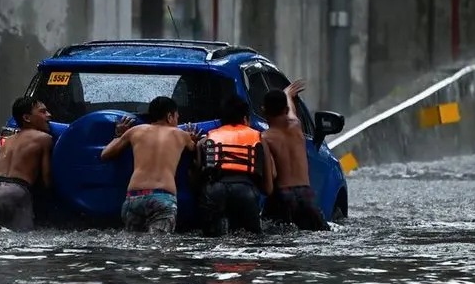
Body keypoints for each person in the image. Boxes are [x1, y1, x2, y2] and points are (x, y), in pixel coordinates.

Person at [100, 95, 202, 233]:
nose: (177, 121)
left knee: (132, 246)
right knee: (158, 248)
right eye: (177, 117)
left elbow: (105, 154)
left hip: (134, 197)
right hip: (163, 198)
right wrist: (192, 138)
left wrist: (118, 135)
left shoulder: (135, 131)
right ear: (170, 116)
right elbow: (196, 149)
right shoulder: (180, 135)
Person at [194, 94, 275, 236]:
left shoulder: (207, 139)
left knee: (211, 244)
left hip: (214, 192)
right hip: (246, 193)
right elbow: (268, 188)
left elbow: (197, 177)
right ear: (245, 119)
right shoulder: (259, 138)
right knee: (249, 243)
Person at [260, 80, 329, 231]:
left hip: (282, 196)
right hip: (306, 195)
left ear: (263, 111)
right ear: (285, 110)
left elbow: (271, 175)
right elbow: (290, 109)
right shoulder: (296, 126)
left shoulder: (265, 138)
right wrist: (288, 94)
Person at [0, 96, 53, 232]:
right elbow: (46, 178)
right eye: (43, 112)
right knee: (22, 241)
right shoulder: (44, 139)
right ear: (26, 118)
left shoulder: (8, 141)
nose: (49, 115)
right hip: (15, 193)